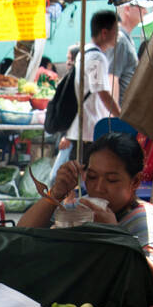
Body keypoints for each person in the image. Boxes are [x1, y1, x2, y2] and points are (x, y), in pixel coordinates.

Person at [17, 132, 153, 301]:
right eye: (92, 177)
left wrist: (116, 235)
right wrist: (56, 194)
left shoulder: (147, 223)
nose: (99, 187)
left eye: (111, 180)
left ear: (135, 181)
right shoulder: (80, 209)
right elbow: (21, 235)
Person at [48, 15, 123, 185]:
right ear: (104, 32)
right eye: (115, 31)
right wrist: (120, 115)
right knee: (84, 175)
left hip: (84, 127)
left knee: (78, 175)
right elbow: (102, 91)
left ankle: (71, 206)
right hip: (90, 128)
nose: (117, 36)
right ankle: (74, 207)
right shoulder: (96, 58)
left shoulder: (84, 54)